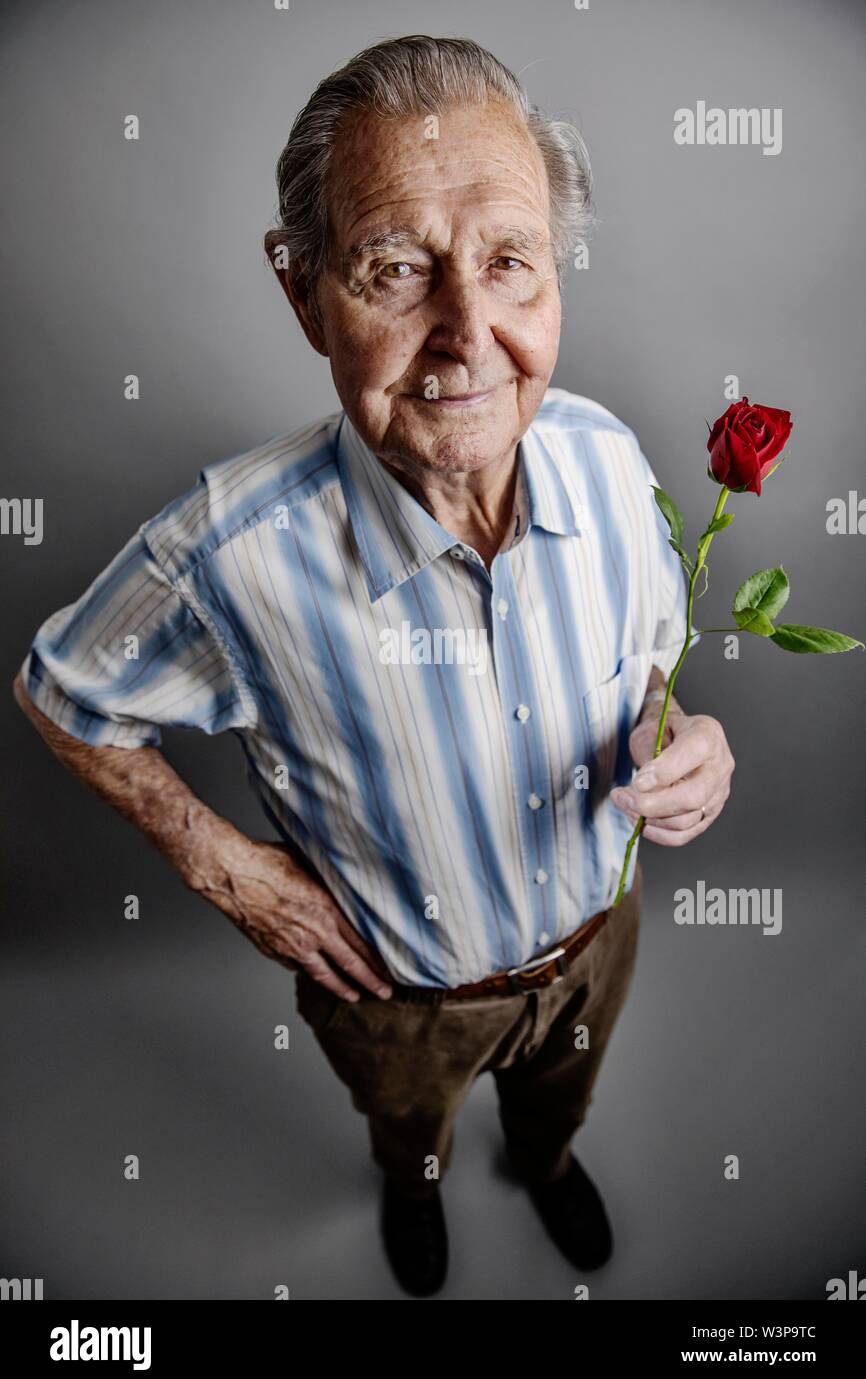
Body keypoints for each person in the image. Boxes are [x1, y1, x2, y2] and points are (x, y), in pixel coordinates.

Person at [14, 35, 735, 1298]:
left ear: (551, 274)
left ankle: (548, 1160)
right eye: (396, 269)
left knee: (558, 1100)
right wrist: (221, 865)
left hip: (595, 939)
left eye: (509, 263)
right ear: (304, 294)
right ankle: (416, 1192)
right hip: (397, 998)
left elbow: (649, 657)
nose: (468, 336)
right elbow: (58, 690)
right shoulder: (224, 553)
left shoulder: (609, 456)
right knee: (410, 1139)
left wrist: (690, 740)